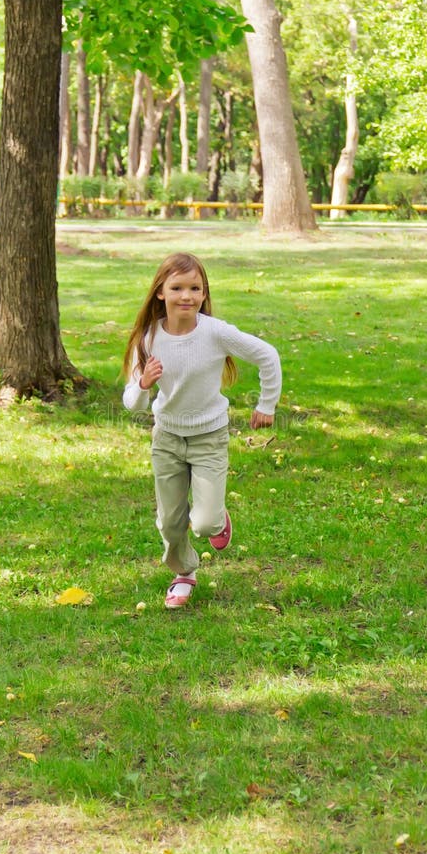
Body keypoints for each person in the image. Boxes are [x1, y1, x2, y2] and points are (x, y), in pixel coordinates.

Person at [122, 252, 282, 609]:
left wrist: (266, 405)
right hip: (167, 439)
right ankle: (184, 573)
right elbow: (132, 403)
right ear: (160, 292)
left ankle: (217, 517)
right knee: (169, 523)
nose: (187, 296)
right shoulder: (148, 339)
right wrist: (144, 384)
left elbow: (268, 355)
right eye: (177, 288)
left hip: (209, 438)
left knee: (204, 524)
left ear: (204, 292)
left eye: (195, 288)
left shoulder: (215, 332)